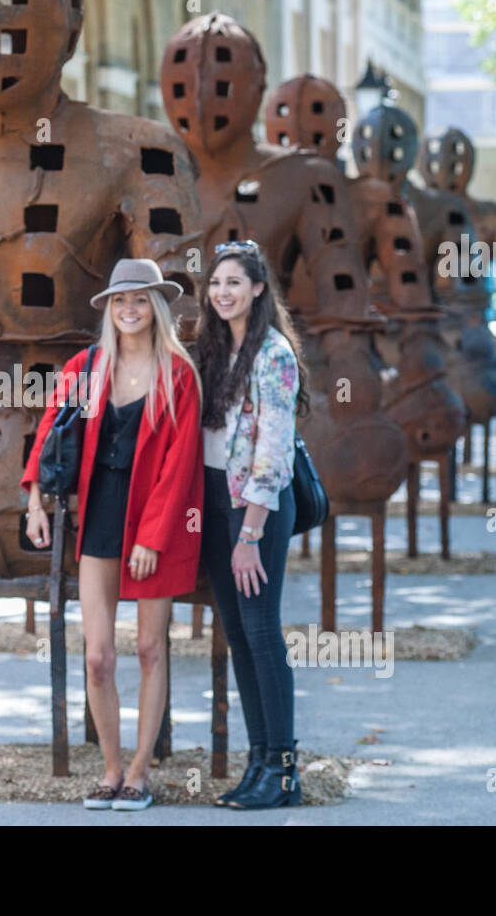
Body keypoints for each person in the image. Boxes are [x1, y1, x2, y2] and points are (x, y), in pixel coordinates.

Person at [21, 258, 203, 812]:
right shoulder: (86, 367)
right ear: (109, 309)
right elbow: (50, 431)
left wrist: (151, 537)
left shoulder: (178, 373)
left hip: (157, 522)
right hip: (99, 516)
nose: (130, 309)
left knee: (151, 648)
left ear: (157, 307)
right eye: (121, 300)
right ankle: (110, 767)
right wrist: (35, 499)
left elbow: (181, 465)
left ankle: (142, 774)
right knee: (98, 655)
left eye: (141, 300)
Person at [196, 239, 308, 809]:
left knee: (262, 633)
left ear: (258, 289)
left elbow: (273, 451)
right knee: (238, 636)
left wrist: (250, 534)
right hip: (217, 499)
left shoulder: (274, 354)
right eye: (216, 284)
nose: (223, 293)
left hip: (256, 506)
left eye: (234, 283)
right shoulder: (212, 350)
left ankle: (284, 771)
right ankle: (259, 761)